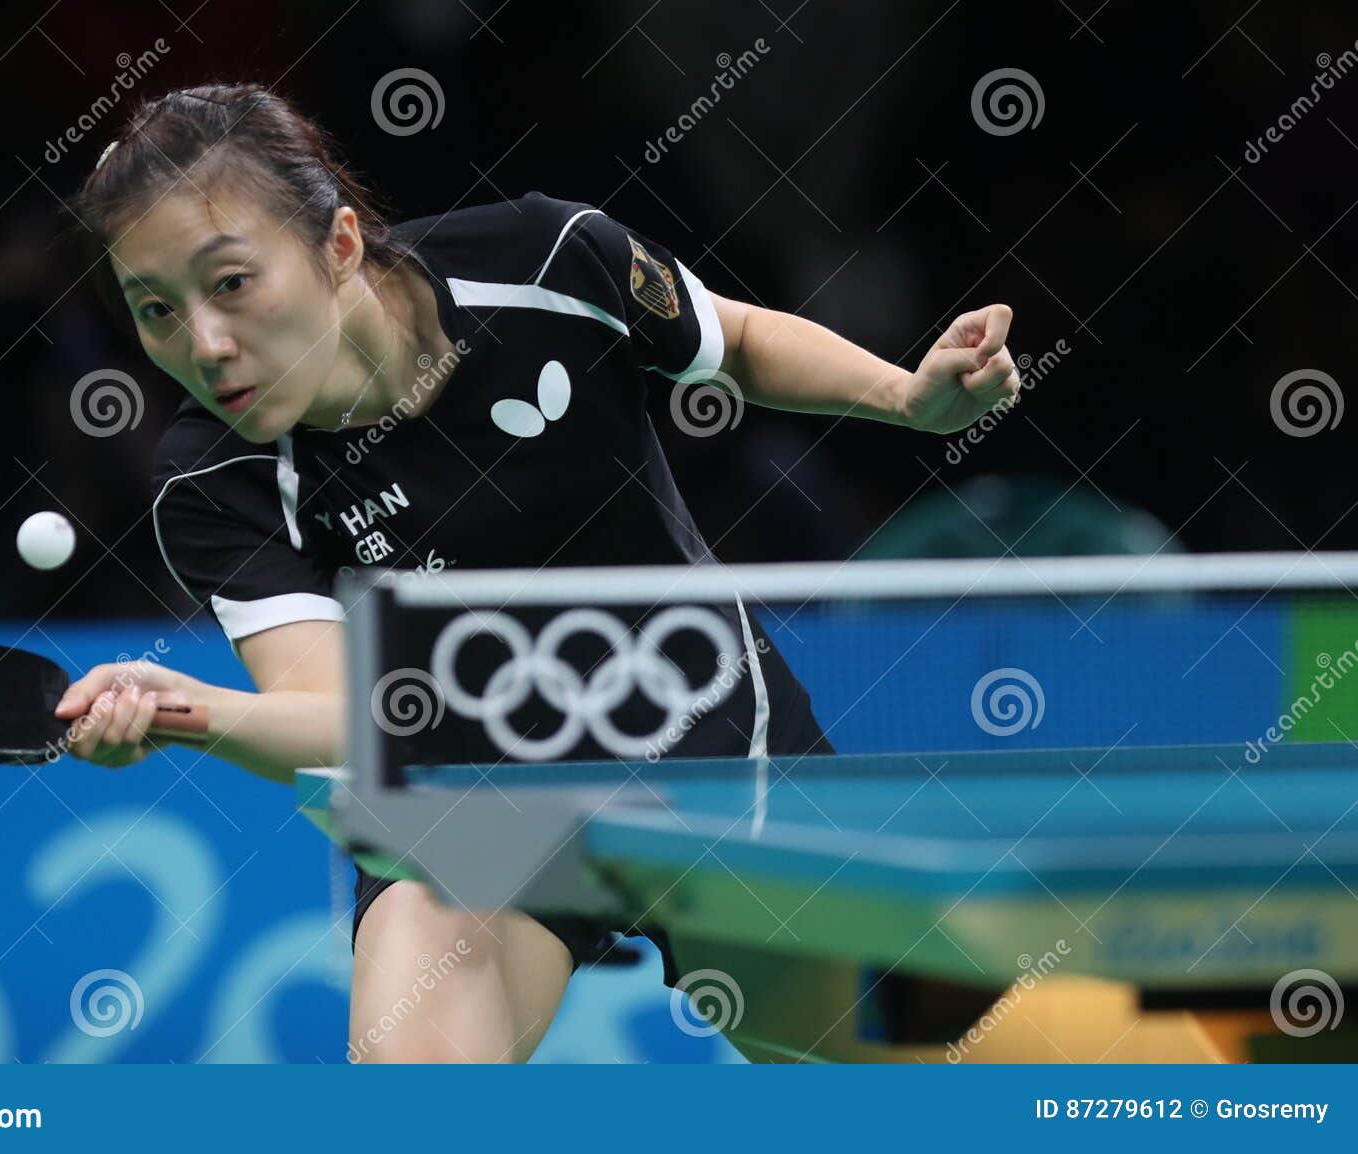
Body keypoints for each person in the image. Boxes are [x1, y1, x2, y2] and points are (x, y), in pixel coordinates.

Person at [53, 83, 1021, 1062]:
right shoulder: (217, 476)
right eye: (155, 309)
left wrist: (906, 399)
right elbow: (339, 712)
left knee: (909, 1087)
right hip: (471, 817)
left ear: (338, 244)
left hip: (715, 753)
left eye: (229, 284)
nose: (204, 345)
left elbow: (736, 342)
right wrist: (191, 712)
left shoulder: (546, 261)